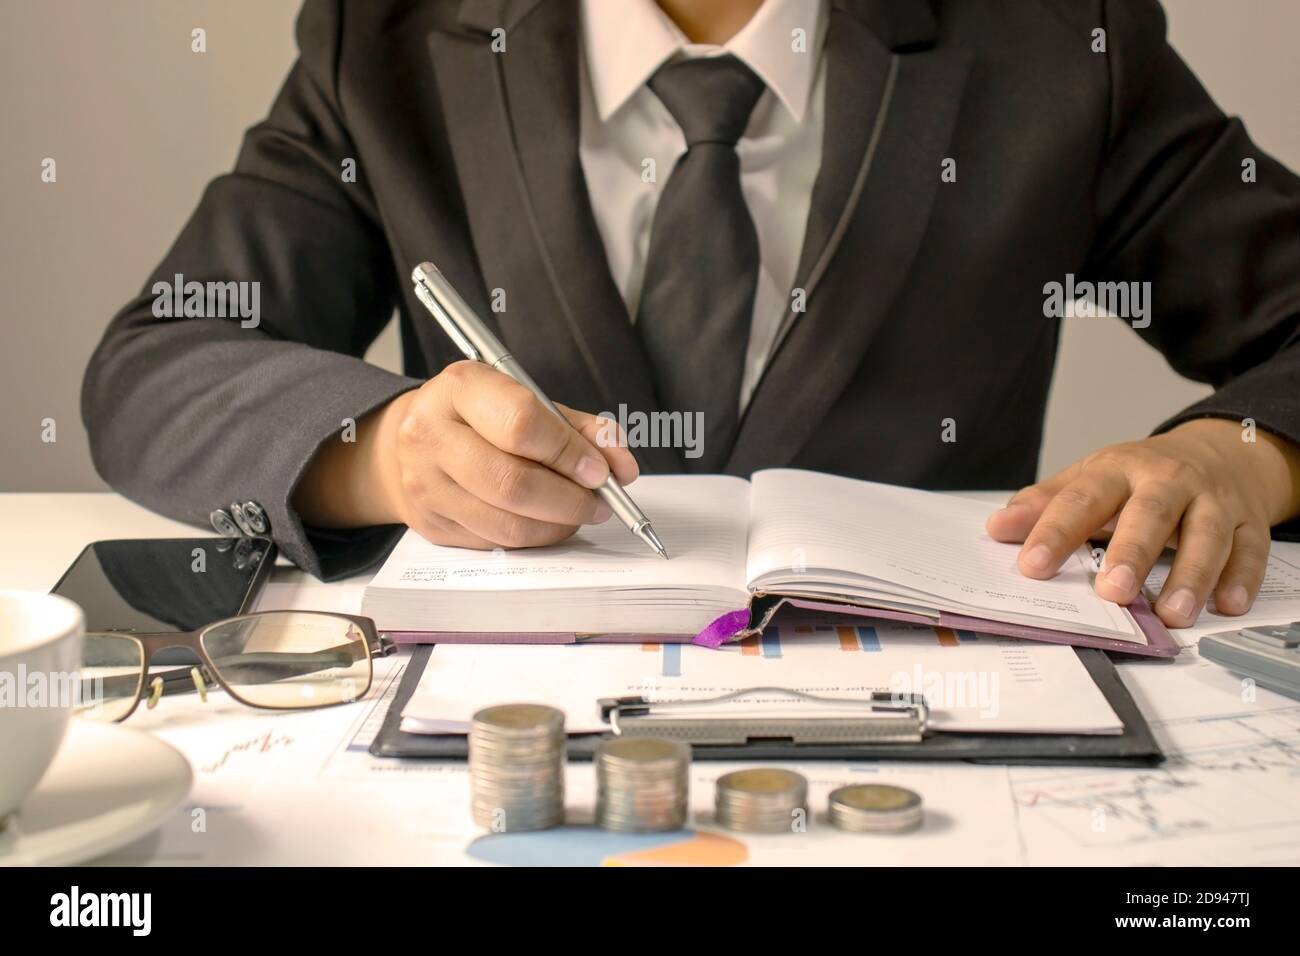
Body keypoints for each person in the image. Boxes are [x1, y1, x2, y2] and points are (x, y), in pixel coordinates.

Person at [83, 0, 1300, 630]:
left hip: (937, 739)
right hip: (512, 745)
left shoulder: (1053, 39)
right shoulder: (391, 39)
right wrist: (386, 451)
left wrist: (1233, 455)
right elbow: (157, 365)